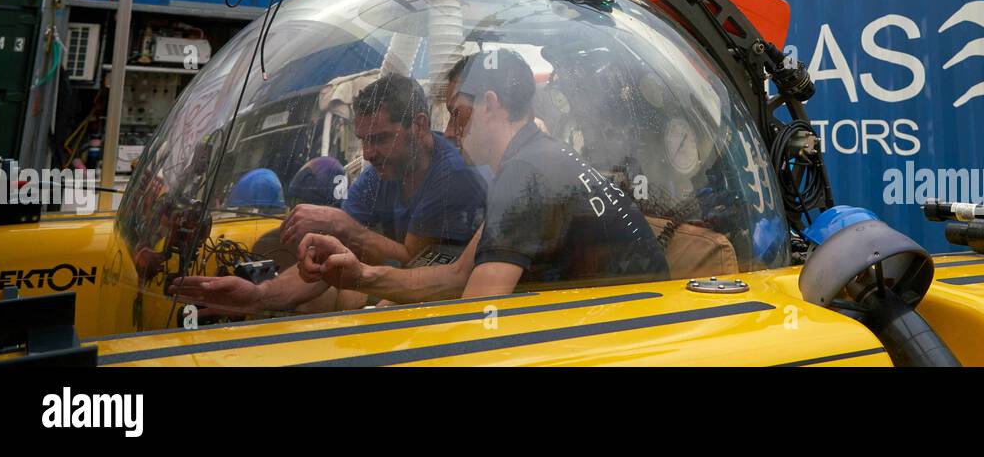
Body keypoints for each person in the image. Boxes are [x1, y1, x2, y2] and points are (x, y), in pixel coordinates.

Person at [296, 49, 668, 302]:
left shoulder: (525, 171)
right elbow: (459, 276)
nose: (452, 133)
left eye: (458, 114)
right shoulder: (535, 156)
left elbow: (480, 311)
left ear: (490, 105)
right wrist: (360, 275)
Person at [174, 72, 486, 315]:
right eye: (363, 139)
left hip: (446, 303)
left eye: (379, 139)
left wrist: (345, 228)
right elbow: (332, 254)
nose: (368, 153)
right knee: (315, 297)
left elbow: (417, 265)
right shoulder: (381, 173)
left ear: (418, 125)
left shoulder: (451, 176)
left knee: (348, 296)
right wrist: (258, 295)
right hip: (403, 286)